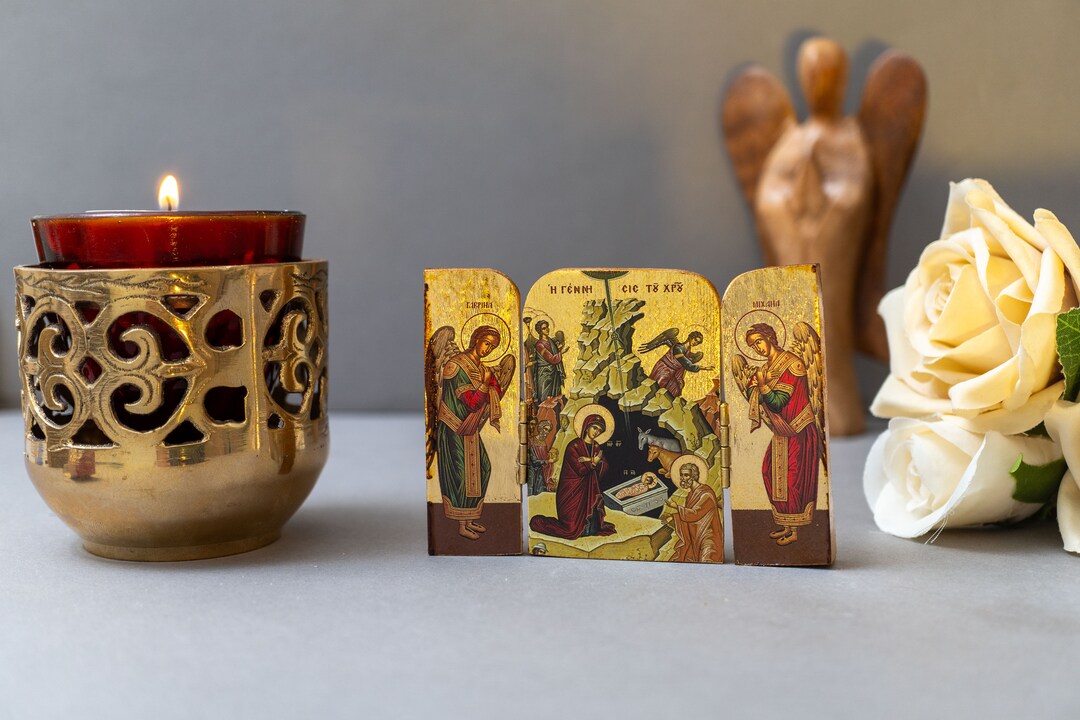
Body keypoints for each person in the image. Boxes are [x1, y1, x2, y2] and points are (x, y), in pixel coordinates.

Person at [744, 323, 820, 545]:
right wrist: (757, 386)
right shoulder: (766, 369)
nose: (757, 348)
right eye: (752, 346)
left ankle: (795, 530)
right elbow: (752, 391)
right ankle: (785, 524)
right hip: (782, 431)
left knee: (793, 478)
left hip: (798, 430)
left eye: (758, 341)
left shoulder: (793, 364)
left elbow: (778, 402)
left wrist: (762, 387)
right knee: (770, 472)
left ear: (770, 338)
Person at [435, 326, 508, 540]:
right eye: (486, 342)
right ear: (476, 339)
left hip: (469, 427)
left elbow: (497, 390)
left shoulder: (481, 367)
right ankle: (461, 524)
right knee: (460, 475)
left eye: (493, 346)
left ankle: (470, 518)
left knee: (482, 469)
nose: (488, 349)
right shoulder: (455, 366)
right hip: (453, 427)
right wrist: (486, 384)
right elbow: (472, 402)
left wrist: (491, 385)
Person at [529, 414, 615, 539]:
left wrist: (593, 461)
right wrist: (594, 461)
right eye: (594, 428)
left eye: (600, 431)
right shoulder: (573, 446)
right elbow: (579, 470)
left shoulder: (596, 446)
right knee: (571, 530)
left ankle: (590, 528)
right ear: (586, 427)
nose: (597, 432)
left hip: (590, 489)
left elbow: (604, 465)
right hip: (572, 491)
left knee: (593, 525)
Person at [664, 462, 722, 563]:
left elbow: (695, 514)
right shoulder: (690, 495)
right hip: (696, 537)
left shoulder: (706, 494)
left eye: (686, 475)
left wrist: (676, 507)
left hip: (708, 539)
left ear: (694, 476)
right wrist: (673, 517)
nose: (683, 478)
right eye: (681, 475)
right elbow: (688, 517)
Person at [646, 331, 711, 398]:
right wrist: (703, 368)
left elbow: (683, 367)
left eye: (698, 342)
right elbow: (686, 363)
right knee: (656, 388)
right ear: (691, 337)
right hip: (664, 369)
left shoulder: (688, 353)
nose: (695, 343)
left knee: (675, 390)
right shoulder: (678, 347)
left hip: (673, 373)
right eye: (695, 340)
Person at [531, 320, 565, 403]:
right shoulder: (540, 345)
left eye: (547, 327)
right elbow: (551, 359)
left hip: (554, 373)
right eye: (544, 328)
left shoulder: (551, 341)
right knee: (544, 398)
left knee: (555, 398)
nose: (547, 329)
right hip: (544, 374)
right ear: (540, 331)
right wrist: (561, 353)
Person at [526, 418, 554, 496]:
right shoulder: (531, 441)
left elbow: (545, 457)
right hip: (532, 473)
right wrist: (547, 461)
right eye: (545, 429)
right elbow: (534, 461)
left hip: (540, 474)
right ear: (540, 428)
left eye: (548, 430)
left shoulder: (544, 444)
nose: (547, 432)